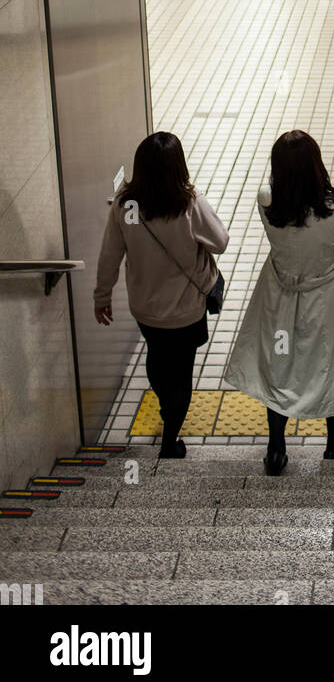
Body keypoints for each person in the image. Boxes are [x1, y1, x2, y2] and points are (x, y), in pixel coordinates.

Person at [224, 131, 334, 472]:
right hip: (325, 304)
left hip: (280, 297)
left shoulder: (266, 198)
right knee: (330, 363)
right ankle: (333, 445)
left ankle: (276, 448)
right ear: (316, 166)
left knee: (281, 362)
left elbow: (301, 214)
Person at [94, 131, 228, 459]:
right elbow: (221, 241)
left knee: (156, 358)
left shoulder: (126, 206)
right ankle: (170, 437)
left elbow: (109, 255)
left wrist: (102, 296)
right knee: (182, 370)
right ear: (178, 167)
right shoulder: (189, 203)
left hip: (146, 309)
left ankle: (165, 401)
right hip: (186, 310)